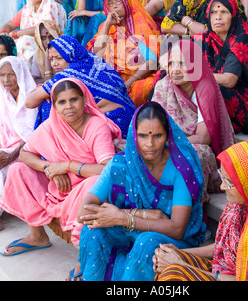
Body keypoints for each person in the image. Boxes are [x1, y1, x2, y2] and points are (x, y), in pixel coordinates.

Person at [75, 102, 206, 281]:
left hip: (170, 239)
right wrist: (134, 215)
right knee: (92, 232)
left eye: (158, 136)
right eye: (143, 136)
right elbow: (83, 213)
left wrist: (123, 218)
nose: (150, 144)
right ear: (133, 135)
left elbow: (177, 228)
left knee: (147, 242)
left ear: (168, 135)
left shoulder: (181, 167)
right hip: (131, 231)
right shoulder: (120, 164)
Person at [0, 78, 122, 254]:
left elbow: (107, 170)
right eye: (62, 102)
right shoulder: (51, 126)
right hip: (58, 188)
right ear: (54, 106)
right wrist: (50, 168)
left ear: (85, 99)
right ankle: (37, 236)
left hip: (84, 189)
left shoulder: (96, 125)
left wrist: (67, 166)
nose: (68, 106)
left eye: (74, 99)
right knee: (18, 169)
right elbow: (25, 154)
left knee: (94, 183)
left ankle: (85, 251)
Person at [153, 140, 248, 281]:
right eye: (223, 177)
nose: (222, 187)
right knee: (165, 261)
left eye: (229, 182)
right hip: (224, 271)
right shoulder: (240, 207)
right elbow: (224, 248)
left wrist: (181, 264)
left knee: (174, 274)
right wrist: (179, 253)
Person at [152, 39, 235, 203]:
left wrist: (168, 144)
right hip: (165, 143)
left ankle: (186, 210)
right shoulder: (164, 86)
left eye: (182, 63)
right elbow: (152, 124)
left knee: (192, 154)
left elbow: (204, 138)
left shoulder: (205, 88)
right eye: (171, 63)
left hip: (194, 146)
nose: (175, 70)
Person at [194, 0, 248, 135]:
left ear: (233, 15)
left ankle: (204, 133)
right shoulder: (206, 38)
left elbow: (229, 80)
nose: (218, 17)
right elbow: (180, 57)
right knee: (167, 75)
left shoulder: (241, 39)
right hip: (217, 83)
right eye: (213, 12)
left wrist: (193, 75)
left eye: (224, 12)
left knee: (212, 91)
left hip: (245, 96)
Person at [25, 36, 135, 140]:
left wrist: (47, 91)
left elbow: (29, 102)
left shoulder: (71, 72)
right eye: (51, 59)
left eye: (59, 58)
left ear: (72, 54)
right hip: (128, 119)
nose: (54, 64)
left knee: (49, 105)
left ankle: (52, 151)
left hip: (112, 124)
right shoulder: (94, 60)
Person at [86, 0, 160, 108]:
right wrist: (108, 25)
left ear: (128, 2)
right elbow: (96, 53)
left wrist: (129, 83)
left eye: (118, 1)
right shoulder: (105, 27)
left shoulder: (141, 26)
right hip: (109, 77)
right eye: (110, 3)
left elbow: (152, 62)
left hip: (134, 78)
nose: (114, 6)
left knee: (146, 86)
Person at [0, 57, 38, 231]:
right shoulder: (2, 98)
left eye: (11, 75)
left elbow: (33, 135)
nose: (6, 80)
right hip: (7, 146)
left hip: (28, 149)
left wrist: (11, 154)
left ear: (20, 74)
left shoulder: (32, 96)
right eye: (2, 75)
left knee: (3, 169)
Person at [0, 0, 67, 69]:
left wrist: (16, 34)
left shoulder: (52, 7)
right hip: (27, 44)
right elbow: (10, 24)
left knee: (25, 41)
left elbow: (44, 28)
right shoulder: (27, 9)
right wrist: (3, 33)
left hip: (47, 44)